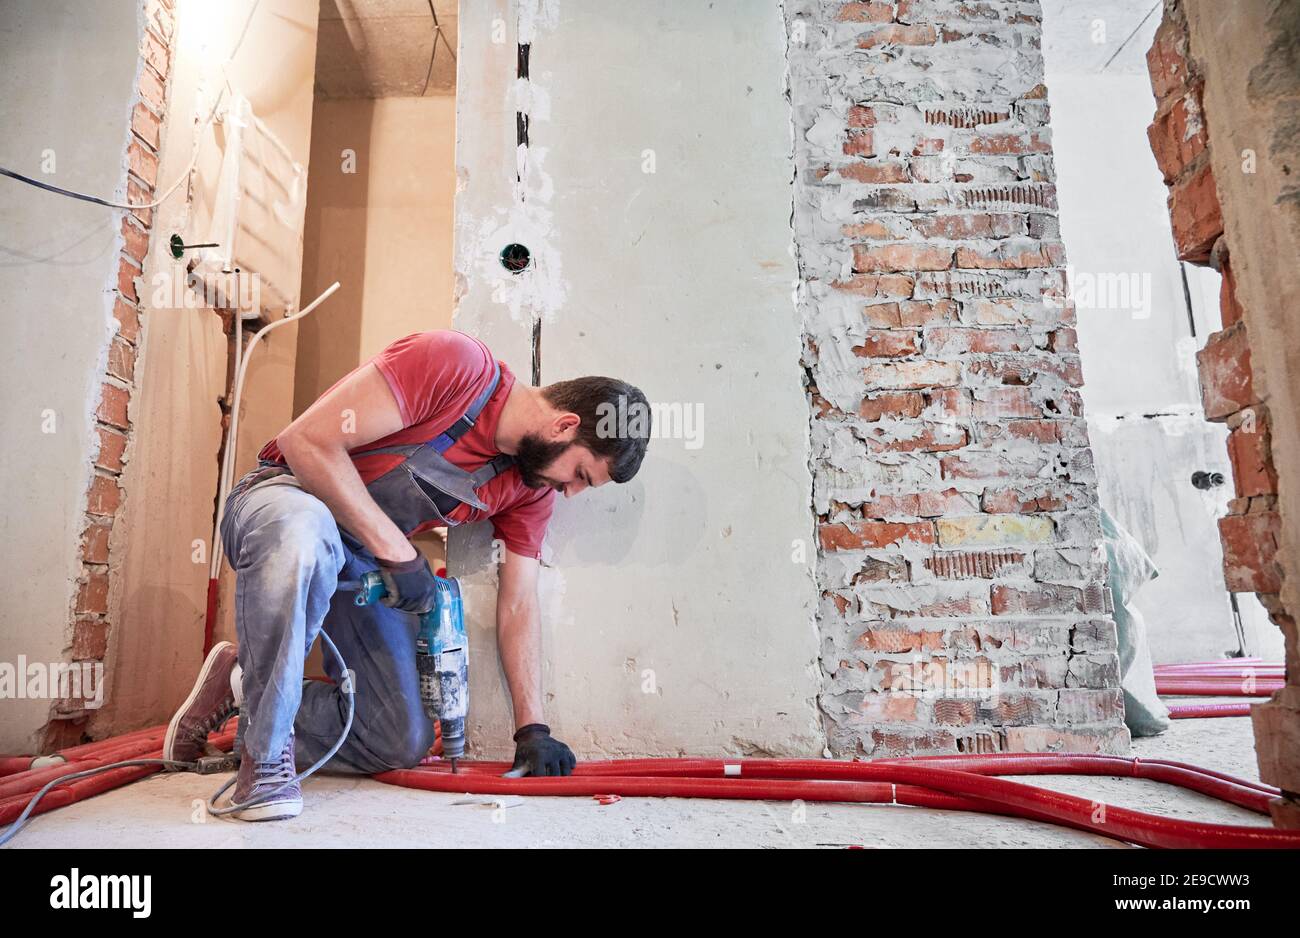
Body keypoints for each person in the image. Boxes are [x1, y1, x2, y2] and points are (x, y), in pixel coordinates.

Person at [163, 329, 650, 820]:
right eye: (582, 476)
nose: (570, 493)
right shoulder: (455, 365)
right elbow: (306, 441)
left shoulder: (529, 489)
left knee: (397, 738)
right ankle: (264, 764)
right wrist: (398, 552)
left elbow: (519, 602)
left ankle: (242, 685)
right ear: (564, 426)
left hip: (361, 561)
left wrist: (532, 729)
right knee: (304, 531)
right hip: (287, 499)